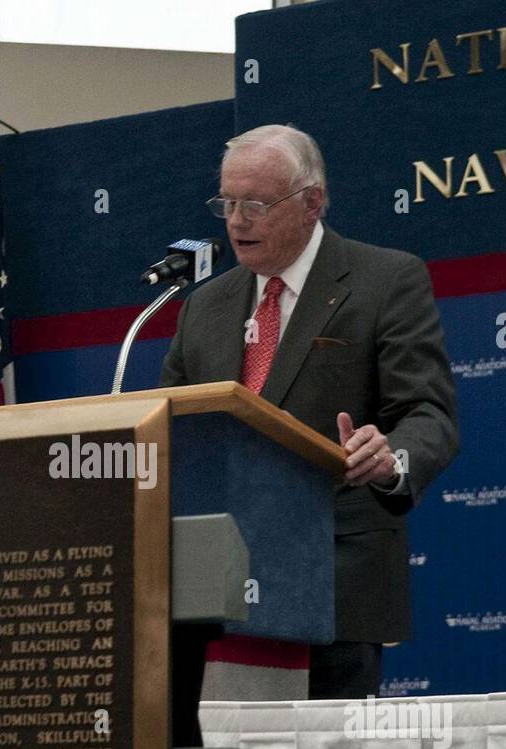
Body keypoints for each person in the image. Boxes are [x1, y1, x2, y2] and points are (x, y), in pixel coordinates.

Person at [161, 124, 459, 698]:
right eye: (226, 203)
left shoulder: (386, 280)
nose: (236, 220)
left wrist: (391, 456)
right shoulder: (204, 306)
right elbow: (173, 426)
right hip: (214, 589)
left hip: (333, 583)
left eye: (255, 204)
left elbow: (429, 413)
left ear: (312, 202)